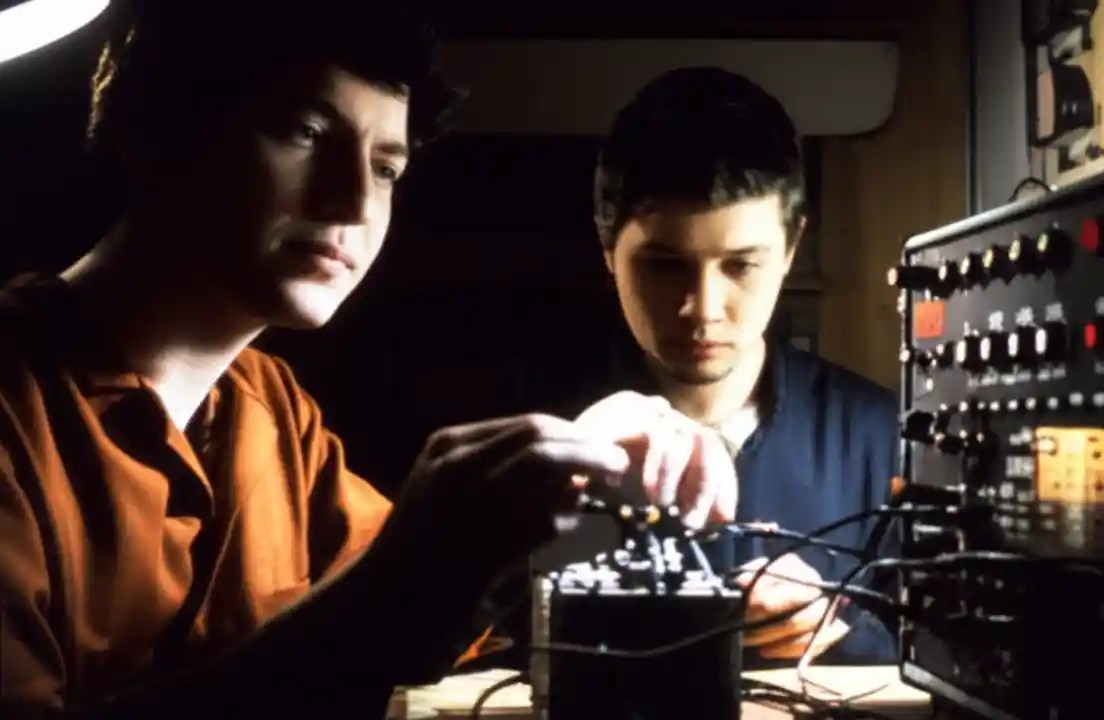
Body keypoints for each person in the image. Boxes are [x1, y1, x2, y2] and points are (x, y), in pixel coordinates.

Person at [0, 3, 734, 718]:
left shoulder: (272, 410)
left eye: (386, 168)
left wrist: (590, 475)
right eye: (304, 132)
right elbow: (388, 601)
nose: (353, 202)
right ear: (152, 131)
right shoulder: (16, 408)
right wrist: (397, 587)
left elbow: (442, 610)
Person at [488, 67, 901, 667]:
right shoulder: (530, 418)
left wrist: (841, 627)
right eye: (663, 265)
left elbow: (938, 663)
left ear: (790, 250)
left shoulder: (875, 435)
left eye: (741, 266)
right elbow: (452, 637)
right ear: (608, 250)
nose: (702, 310)